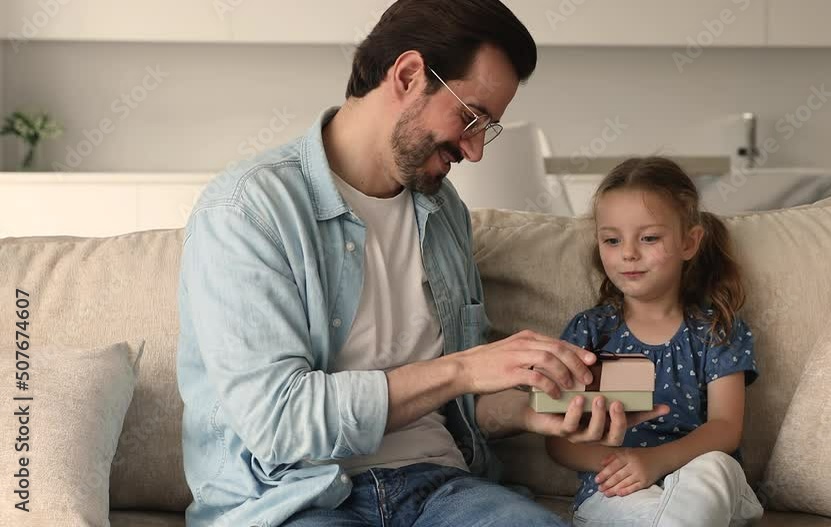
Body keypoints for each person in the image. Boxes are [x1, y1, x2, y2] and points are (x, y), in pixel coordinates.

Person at [175, 1, 668, 526]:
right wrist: (461, 369)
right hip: (297, 498)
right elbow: (280, 422)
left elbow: (455, 403)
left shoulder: (442, 209)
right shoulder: (249, 210)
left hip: (442, 487)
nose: (475, 151)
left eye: (488, 128)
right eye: (470, 116)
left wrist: (533, 413)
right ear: (409, 75)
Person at [546, 157, 765, 526]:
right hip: (616, 488)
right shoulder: (590, 332)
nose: (629, 253)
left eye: (649, 238)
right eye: (612, 240)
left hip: (704, 478)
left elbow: (726, 428)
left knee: (714, 467)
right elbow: (558, 439)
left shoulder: (717, 330)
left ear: (689, 242)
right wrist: (625, 466)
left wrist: (657, 461)